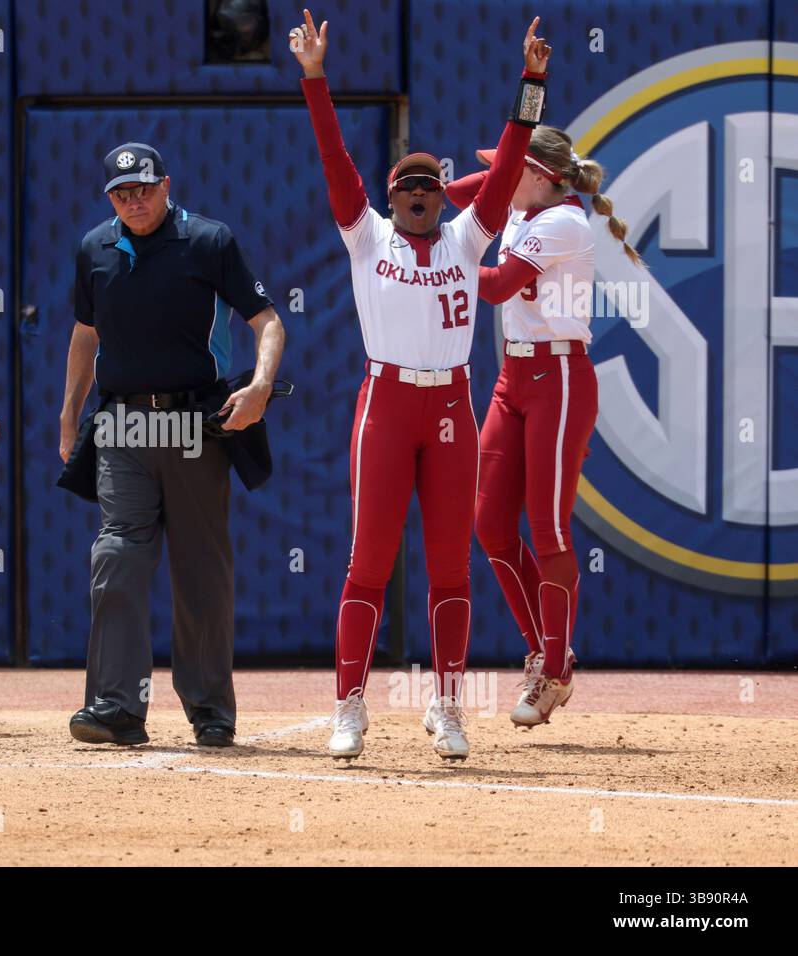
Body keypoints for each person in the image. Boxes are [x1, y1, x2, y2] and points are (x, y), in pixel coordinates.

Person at [291, 8, 550, 761]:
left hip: (451, 406)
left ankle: (445, 706)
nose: (415, 195)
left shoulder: (470, 237)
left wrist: (531, 82)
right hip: (388, 402)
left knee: (449, 567)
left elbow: (506, 166)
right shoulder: (366, 234)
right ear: (391, 194)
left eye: (427, 187)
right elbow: (336, 158)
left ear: (443, 196)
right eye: (404, 186)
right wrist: (315, 79)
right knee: (368, 561)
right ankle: (350, 707)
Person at [60, 141, 286, 748]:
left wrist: (261, 386)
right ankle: (116, 707)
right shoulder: (94, 248)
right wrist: (68, 415)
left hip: (192, 423)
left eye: (144, 188)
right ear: (110, 197)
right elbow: (85, 335)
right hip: (123, 426)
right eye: (122, 192)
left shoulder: (209, 240)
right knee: (117, 555)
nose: (134, 200)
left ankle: (210, 709)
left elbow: (266, 319)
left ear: (167, 185)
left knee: (200, 569)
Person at [444, 129, 643, 728]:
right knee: (491, 525)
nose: (500, 177)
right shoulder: (522, 200)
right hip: (515, 375)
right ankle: (546, 651)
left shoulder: (563, 221)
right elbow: (455, 194)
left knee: (549, 528)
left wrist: (436, 266)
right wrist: (507, 168)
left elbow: (500, 285)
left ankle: (552, 669)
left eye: (510, 170)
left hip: (559, 375)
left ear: (539, 174)